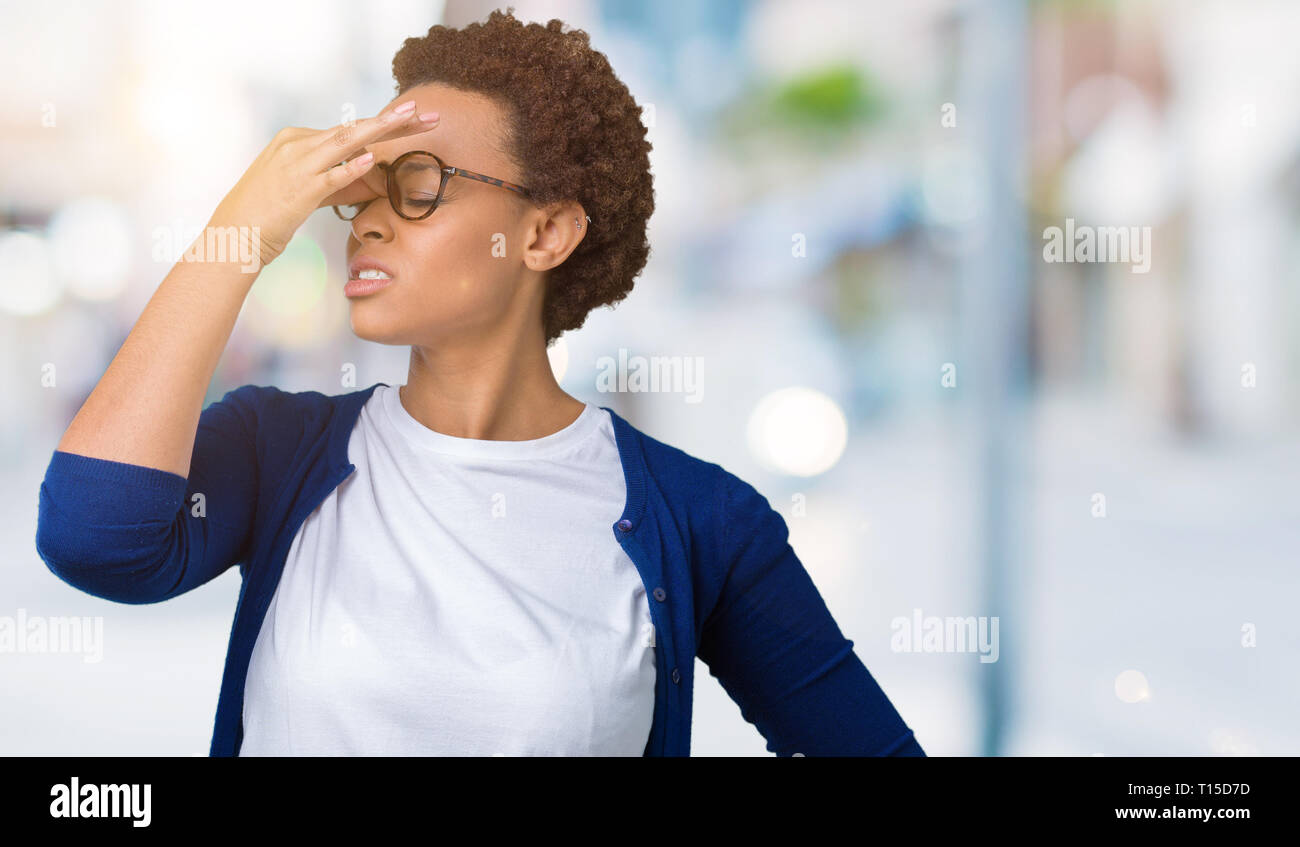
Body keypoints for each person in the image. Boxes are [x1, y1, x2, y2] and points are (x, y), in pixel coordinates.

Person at [34, 7, 924, 757]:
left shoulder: (701, 523)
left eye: (417, 183)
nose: (368, 219)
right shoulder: (278, 450)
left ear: (545, 234)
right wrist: (240, 230)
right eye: (361, 188)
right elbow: (94, 538)